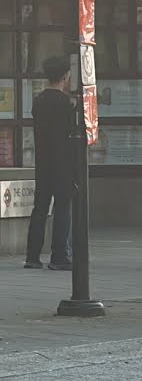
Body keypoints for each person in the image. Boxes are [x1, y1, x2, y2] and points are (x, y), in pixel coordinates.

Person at [24, 56, 75, 271]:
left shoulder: (38, 101)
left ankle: (32, 256)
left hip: (43, 162)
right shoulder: (66, 104)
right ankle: (59, 256)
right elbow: (71, 135)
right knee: (63, 209)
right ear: (65, 76)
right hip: (62, 163)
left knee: (40, 208)